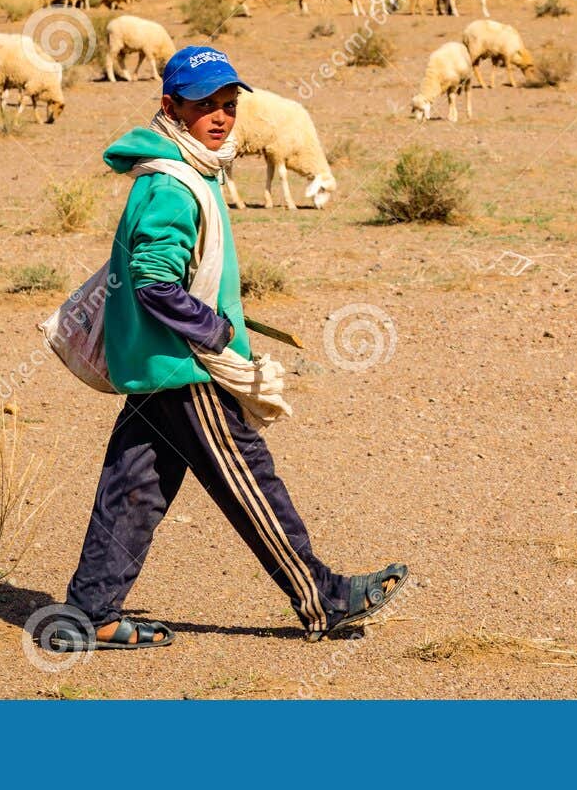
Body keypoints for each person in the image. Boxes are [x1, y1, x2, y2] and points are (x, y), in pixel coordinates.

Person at [48, 46, 406, 651]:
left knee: (134, 488)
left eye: (228, 105)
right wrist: (214, 331)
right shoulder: (175, 182)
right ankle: (321, 595)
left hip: (156, 365)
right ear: (171, 107)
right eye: (202, 105)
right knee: (248, 479)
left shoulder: (182, 168)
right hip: (187, 367)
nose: (218, 116)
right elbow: (154, 278)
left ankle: (91, 612)